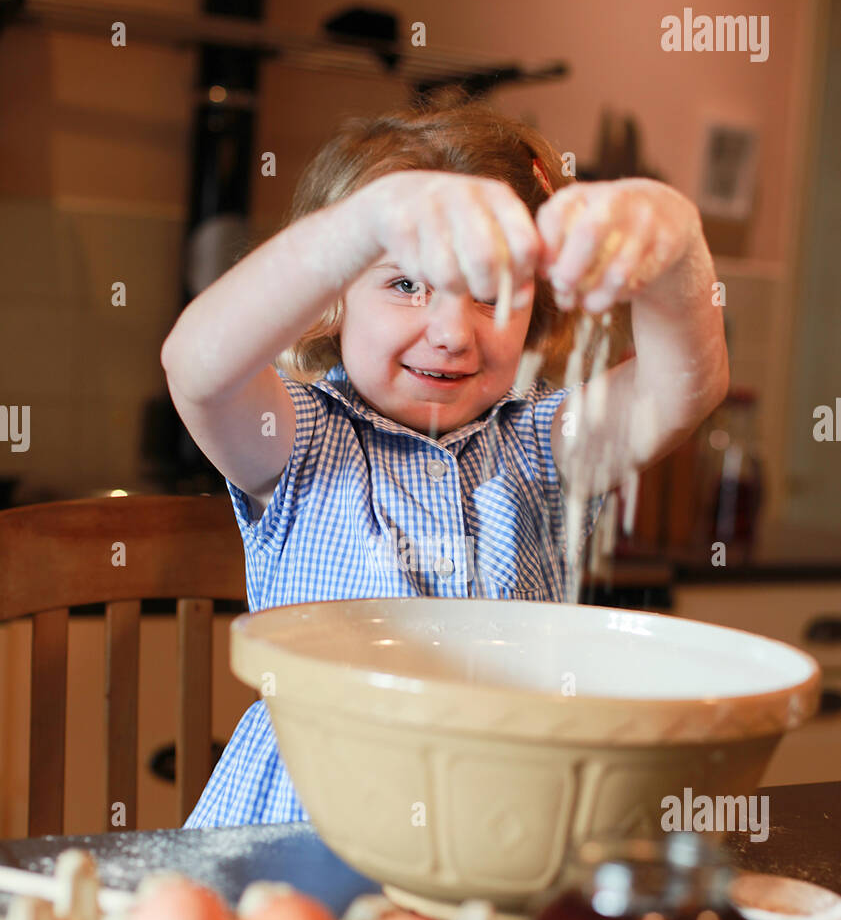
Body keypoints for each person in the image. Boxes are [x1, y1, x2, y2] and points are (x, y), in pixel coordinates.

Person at [161, 90, 729, 829]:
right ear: (332, 298)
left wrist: (676, 245)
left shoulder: (542, 448)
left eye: (491, 292)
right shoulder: (299, 439)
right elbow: (196, 365)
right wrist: (365, 223)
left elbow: (685, 386)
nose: (452, 332)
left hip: (496, 815)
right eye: (404, 283)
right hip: (307, 820)